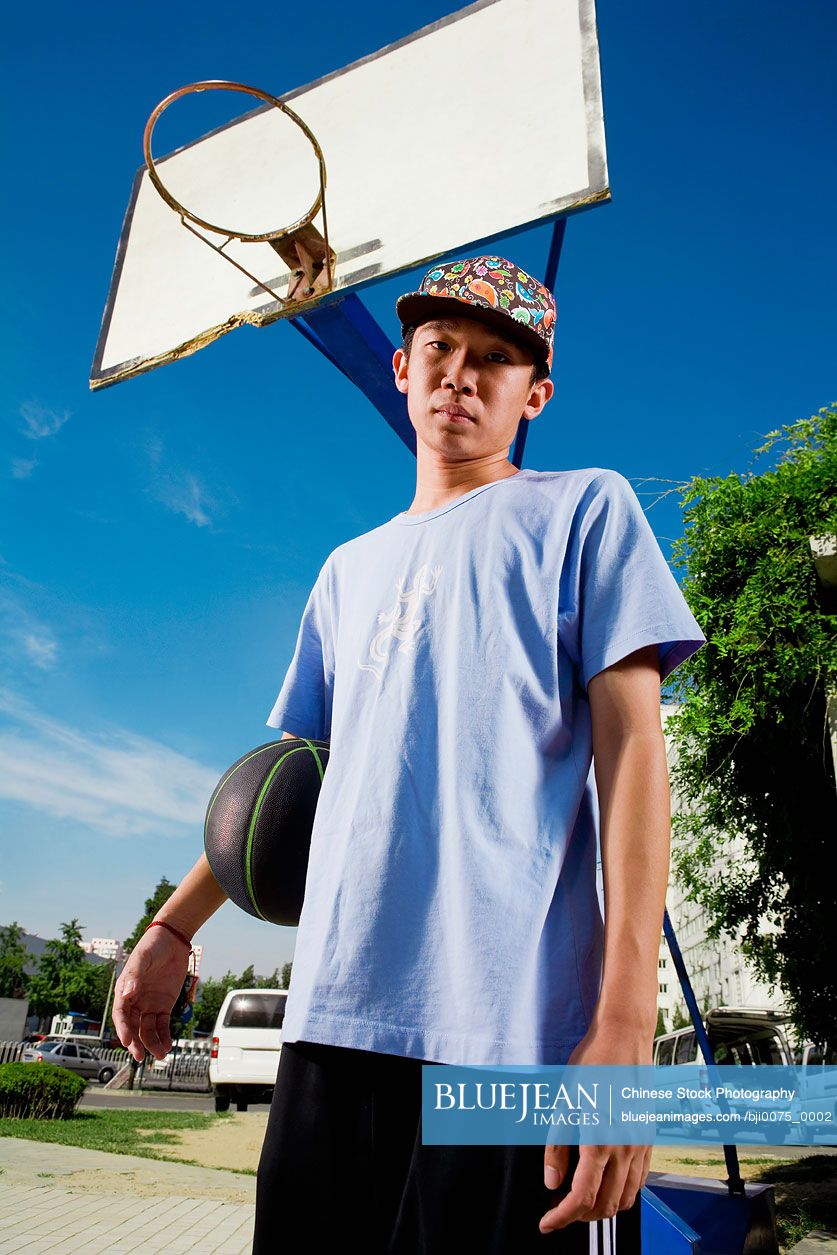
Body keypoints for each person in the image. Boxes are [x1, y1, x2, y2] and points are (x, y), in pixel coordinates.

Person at [113, 254, 705, 1253]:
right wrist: (170, 930)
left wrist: (625, 1025)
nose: (462, 375)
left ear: (535, 392)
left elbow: (636, 756)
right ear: (402, 366)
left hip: (509, 1041)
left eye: (496, 358)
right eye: (440, 348)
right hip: (331, 1025)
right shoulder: (347, 571)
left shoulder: (582, 513)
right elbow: (297, 786)